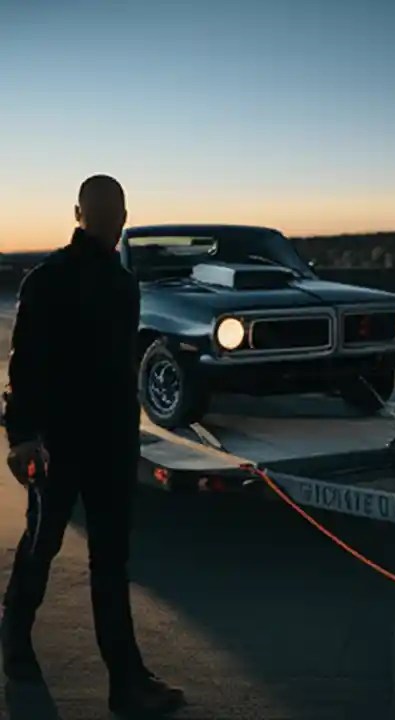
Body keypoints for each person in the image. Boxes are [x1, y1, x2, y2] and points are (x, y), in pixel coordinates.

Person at [0, 175, 186, 715]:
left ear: (124, 216)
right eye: (102, 211)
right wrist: (23, 438)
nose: (112, 220)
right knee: (42, 545)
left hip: (109, 446)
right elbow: (25, 366)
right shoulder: (49, 278)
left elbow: (120, 369)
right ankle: (15, 644)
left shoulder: (123, 283)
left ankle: (124, 681)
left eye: (117, 211)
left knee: (110, 562)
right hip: (58, 445)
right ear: (79, 214)